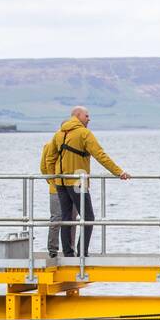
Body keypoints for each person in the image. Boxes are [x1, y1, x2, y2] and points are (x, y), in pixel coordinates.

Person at [49, 106, 130, 257]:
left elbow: (50, 158)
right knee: (88, 217)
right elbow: (100, 155)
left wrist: (52, 178)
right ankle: (82, 252)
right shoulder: (84, 133)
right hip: (77, 180)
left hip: (60, 181)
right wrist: (119, 172)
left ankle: (68, 253)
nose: (89, 119)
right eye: (86, 116)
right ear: (78, 115)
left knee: (66, 217)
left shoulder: (59, 133)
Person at [38, 137, 63, 258]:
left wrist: (51, 181)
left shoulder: (49, 145)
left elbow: (43, 167)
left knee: (65, 219)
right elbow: (43, 167)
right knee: (59, 218)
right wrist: (52, 181)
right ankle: (55, 249)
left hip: (61, 187)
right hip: (59, 188)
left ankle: (59, 249)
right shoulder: (49, 145)